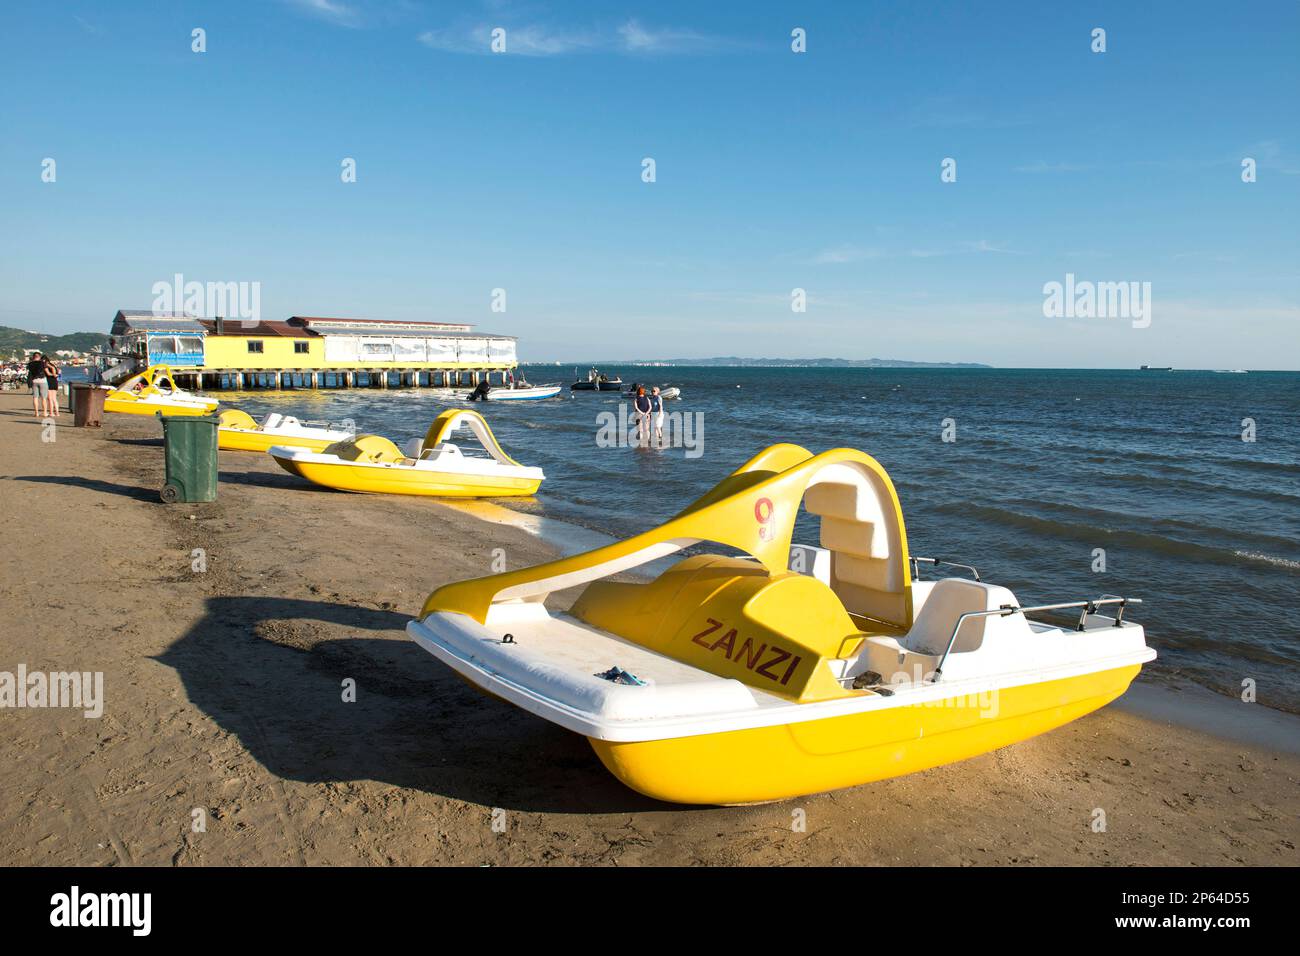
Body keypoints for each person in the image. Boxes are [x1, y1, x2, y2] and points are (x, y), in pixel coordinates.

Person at [26, 351, 49, 418]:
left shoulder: (30, 364)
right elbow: (47, 371)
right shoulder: (42, 363)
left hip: (34, 381)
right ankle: (44, 412)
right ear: (39, 357)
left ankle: (36, 413)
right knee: (43, 398)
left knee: (35, 397)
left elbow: (30, 372)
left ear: (33, 357)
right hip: (42, 381)